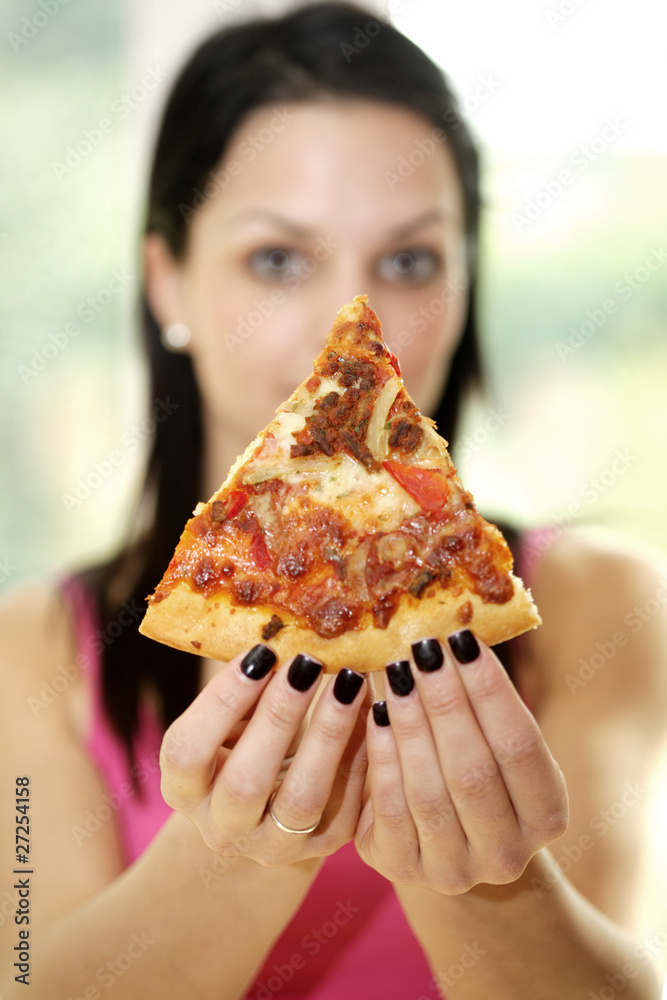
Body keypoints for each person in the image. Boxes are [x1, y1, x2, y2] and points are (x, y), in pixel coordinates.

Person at [1, 3, 665, 997]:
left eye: (409, 260)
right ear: (167, 280)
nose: (349, 323)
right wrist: (235, 857)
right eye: (277, 258)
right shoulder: (32, 651)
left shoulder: (601, 602)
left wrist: (483, 881)